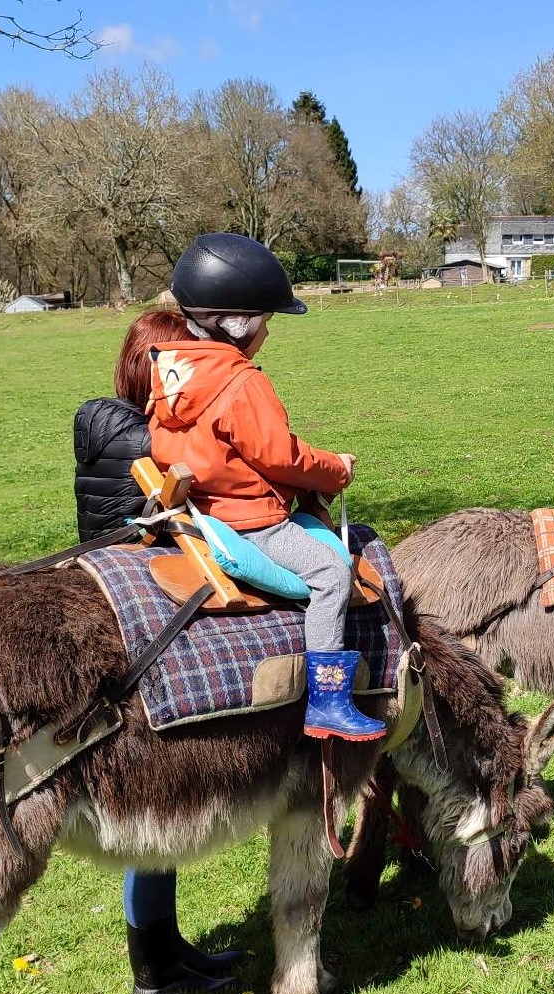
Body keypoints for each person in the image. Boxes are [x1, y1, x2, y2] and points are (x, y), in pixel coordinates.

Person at [149, 231, 385, 742]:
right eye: (267, 321)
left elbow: (205, 446)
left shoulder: (172, 373)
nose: (268, 333)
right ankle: (328, 700)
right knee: (330, 572)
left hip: (201, 509)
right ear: (238, 323)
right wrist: (337, 470)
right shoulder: (243, 382)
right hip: (251, 521)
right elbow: (281, 456)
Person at [74, 309, 240, 994]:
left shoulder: (109, 424)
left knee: (159, 810)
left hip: (137, 607)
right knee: (155, 799)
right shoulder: (135, 435)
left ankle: (167, 953)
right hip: (142, 622)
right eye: (184, 361)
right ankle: (155, 968)